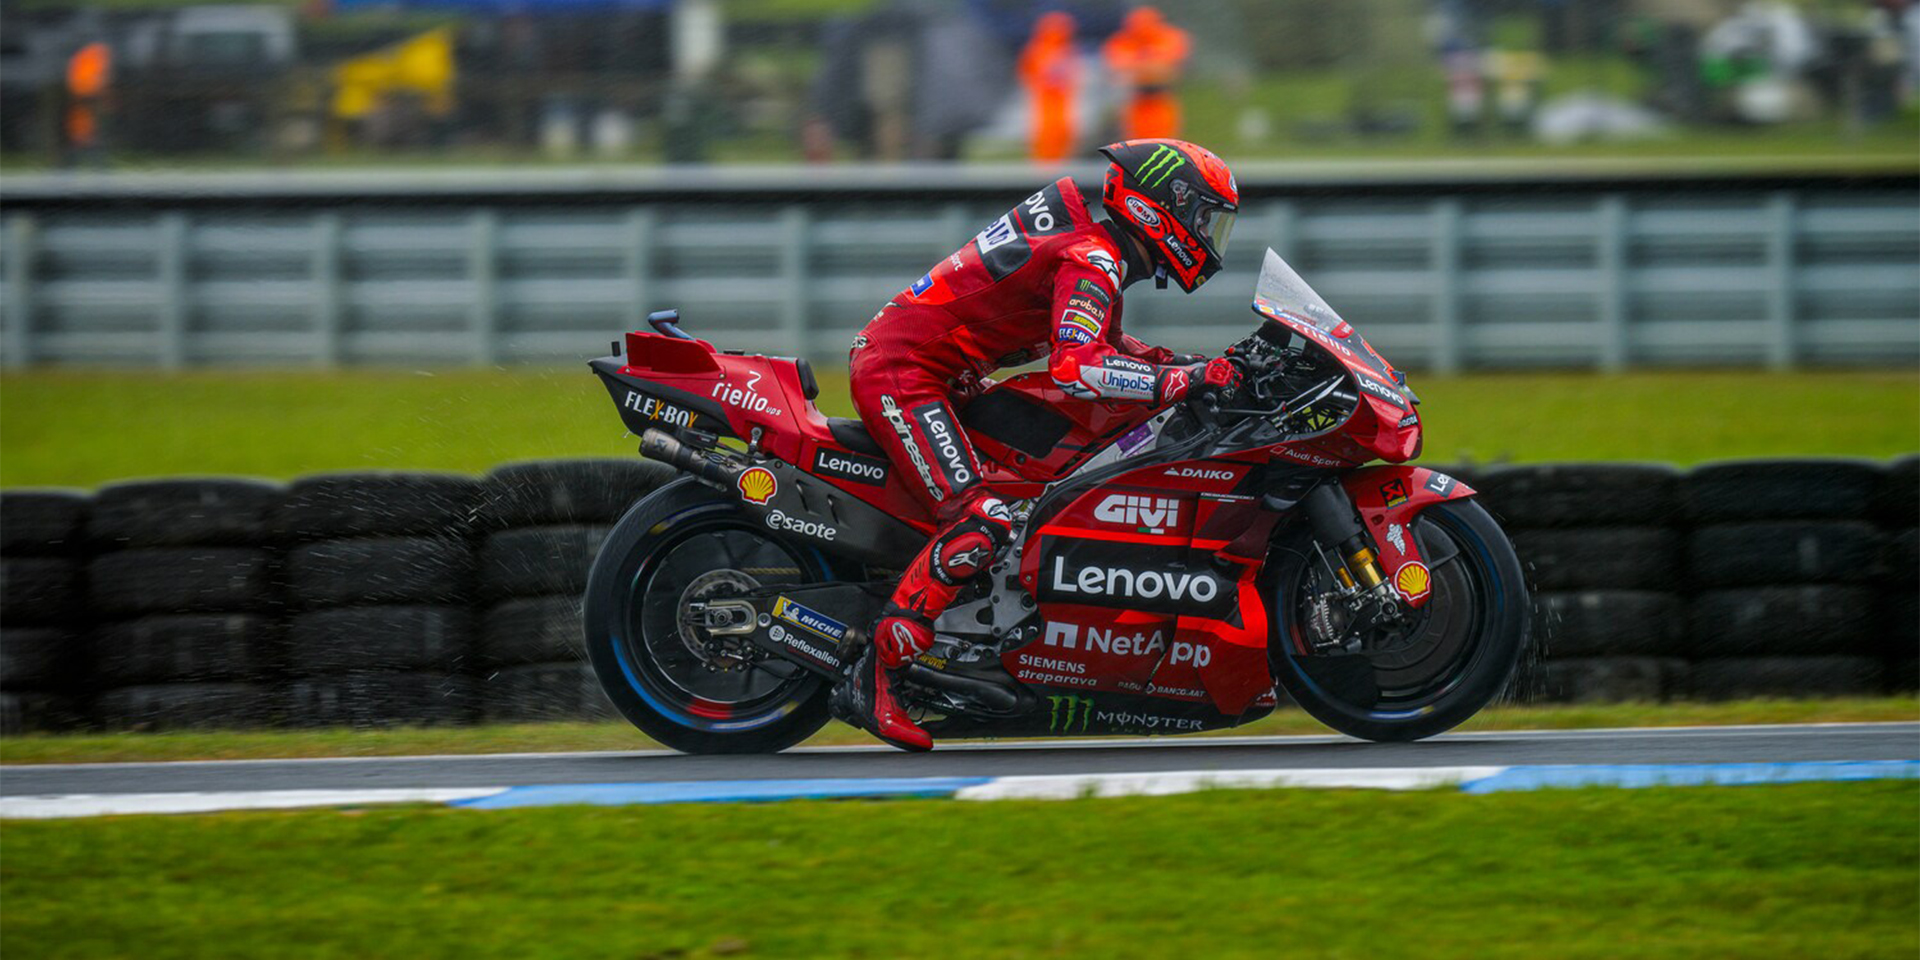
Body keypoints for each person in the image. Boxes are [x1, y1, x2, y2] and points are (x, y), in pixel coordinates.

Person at [831, 138, 1243, 751]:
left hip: (942, 375)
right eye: (1204, 221)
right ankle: (879, 674)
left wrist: (1196, 366)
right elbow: (1077, 366)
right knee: (983, 518)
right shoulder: (1093, 258)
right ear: (1164, 210)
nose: (1209, 240)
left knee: (1022, 490)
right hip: (904, 374)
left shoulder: (1096, 254)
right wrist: (1182, 379)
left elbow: (1106, 346)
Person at [1102, 6, 1192, 139]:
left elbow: (1168, 69)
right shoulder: (1122, 42)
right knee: (1136, 140)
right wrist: (1149, 64)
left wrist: (1140, 66)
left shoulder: (1169, 38)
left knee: (1164, 138)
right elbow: (1119, 69)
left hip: (1161, 97)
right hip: (1136, 99)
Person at [1018, 11, 1080, 162]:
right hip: (1046, 107)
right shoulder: (1038, 50)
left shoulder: (1067, 51)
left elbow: (1073, 76)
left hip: (1062, 106)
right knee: (1047, 136)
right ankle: (1044, 168)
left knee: (1063, 135)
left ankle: (1059, 164)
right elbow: (1028, 75)